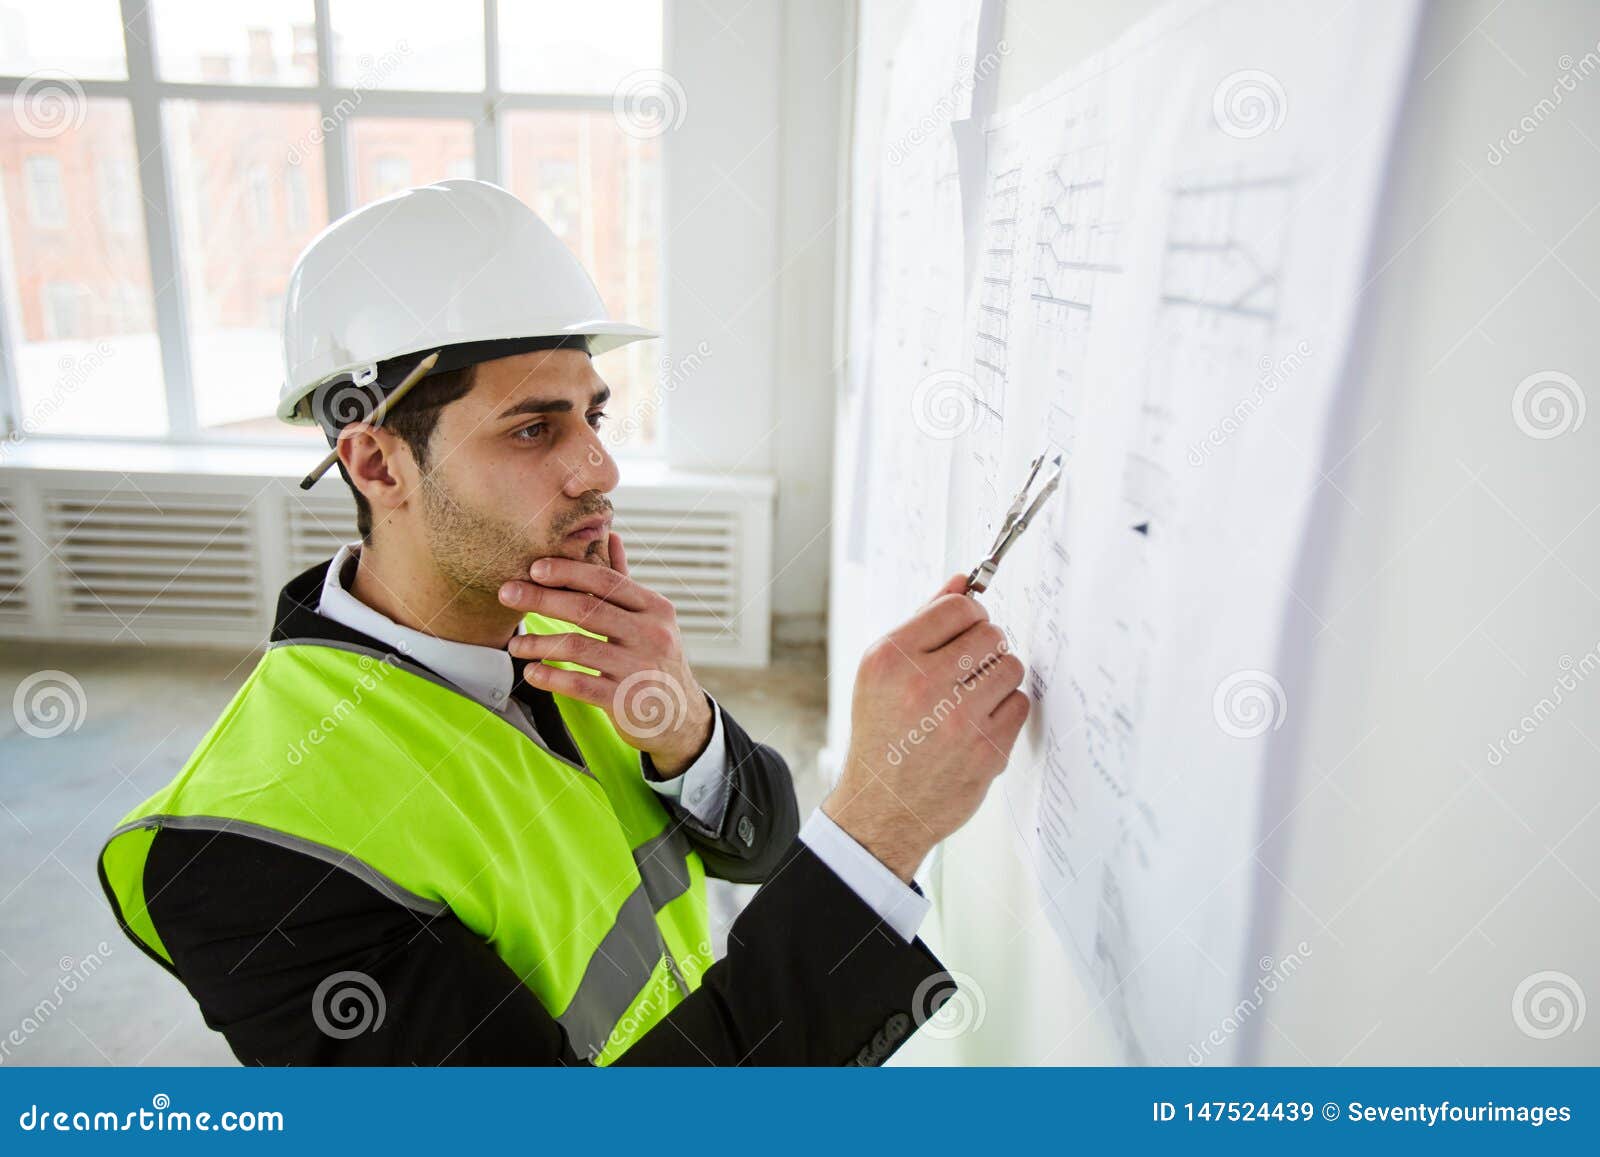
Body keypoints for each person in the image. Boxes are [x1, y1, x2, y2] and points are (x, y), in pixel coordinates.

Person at [98, 180, 1029, 1065]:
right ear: (379, 463)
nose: (600, 468)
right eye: (534, 429)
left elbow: (764, 844)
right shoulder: (243, 853)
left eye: (594, 414)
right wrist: (881, 827)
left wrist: (688, 732)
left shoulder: (586, 637)